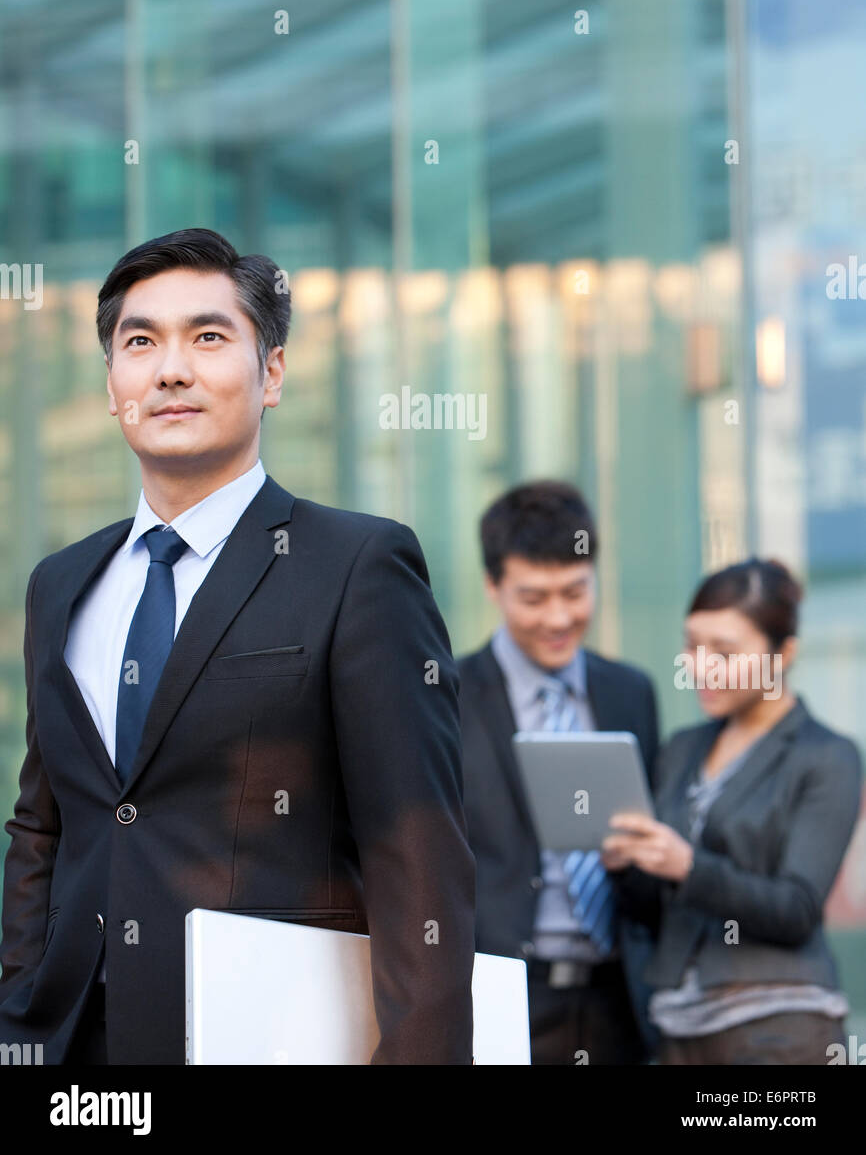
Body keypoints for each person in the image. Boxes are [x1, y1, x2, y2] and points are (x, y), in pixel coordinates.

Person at [0, 227, 475, 1065]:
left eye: (209, 337)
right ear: (113, 385)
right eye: (139, 342)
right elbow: (43, 826)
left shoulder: (357, 565)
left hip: (265, 1032)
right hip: (73, 1046)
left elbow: (416, 849)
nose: (170, 369)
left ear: (274, 374)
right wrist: (19, 1000)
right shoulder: (60, 583)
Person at [602, 557, 863, 1065]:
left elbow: (797, 910)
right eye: (693, 646)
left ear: (783, 654)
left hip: (778, 1029)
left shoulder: (826, 755)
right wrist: (627, 868)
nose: (700, 666)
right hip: (677, 1027)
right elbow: (656, 911)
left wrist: (687, 865)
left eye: (724, 651)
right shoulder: (682, 750)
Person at [459, 480, 660, 1065]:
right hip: (503, 993)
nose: (559, 617)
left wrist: (642, 859)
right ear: (493, 587)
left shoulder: (630, 692)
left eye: (575, 592)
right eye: (534, 597)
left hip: (617, 998)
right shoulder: (445, 694)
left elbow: (651, 883)